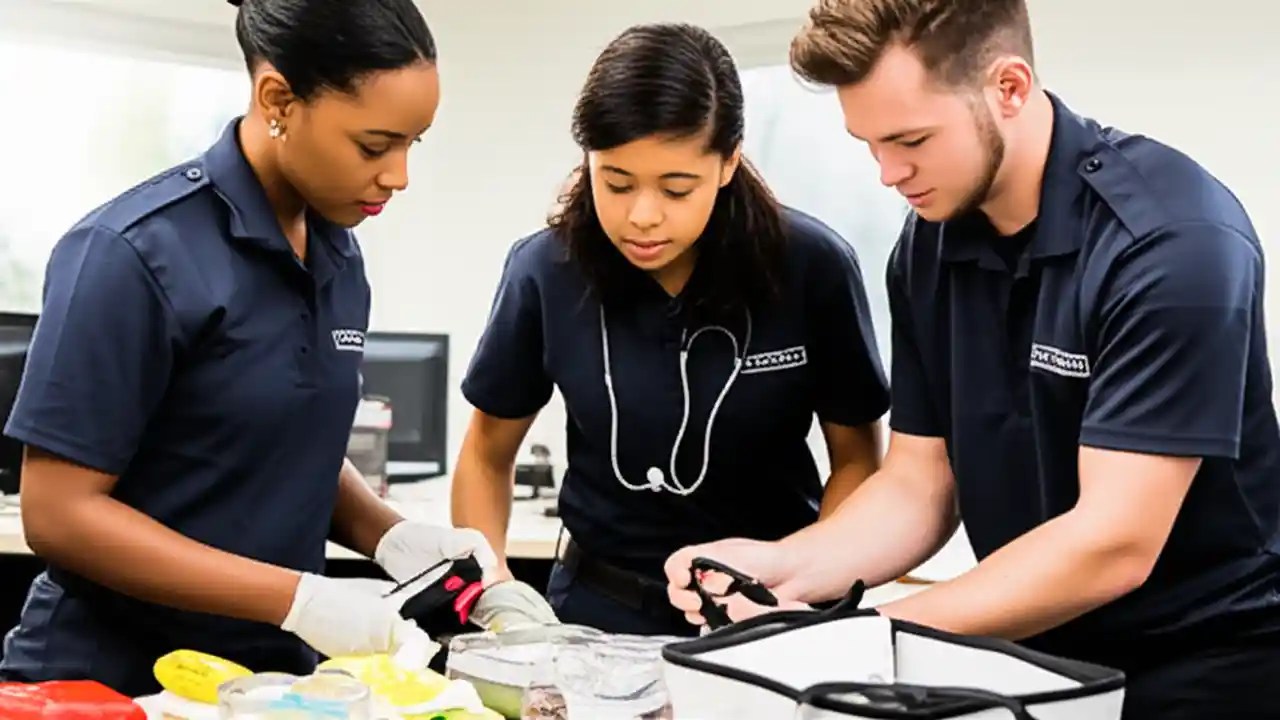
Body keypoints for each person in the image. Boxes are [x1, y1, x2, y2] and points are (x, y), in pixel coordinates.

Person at [665, 0, 1280, 717]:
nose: (889, 173)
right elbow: (918, 485)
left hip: (1208, 659)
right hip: (1038, 649)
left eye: (911, 140)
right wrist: (785, 569)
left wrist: (860, 637)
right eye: (868, 143)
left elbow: (1114, 542)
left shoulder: (1171, 244)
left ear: (1010, 88)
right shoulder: (929, 246)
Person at [0, 0, 550, 697]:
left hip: (266, 682)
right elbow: (57, 514)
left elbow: (285, 445)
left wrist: (390, 536)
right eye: (374, 145)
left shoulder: (338, 256)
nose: (399, 175)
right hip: (111, 681)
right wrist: (299, 597)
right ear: (277, 99)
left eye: (415, 143)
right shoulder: (133, 253)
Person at [452, 22, 890, 638]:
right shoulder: (545, 271)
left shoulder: (811, 267)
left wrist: (802, 583)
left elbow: (857, 459)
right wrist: (491, 585)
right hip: (595, 611)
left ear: (729, 160)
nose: (642, 216)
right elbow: (486, 454)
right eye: (616, 182)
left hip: (765, 610)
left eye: (676, 188)